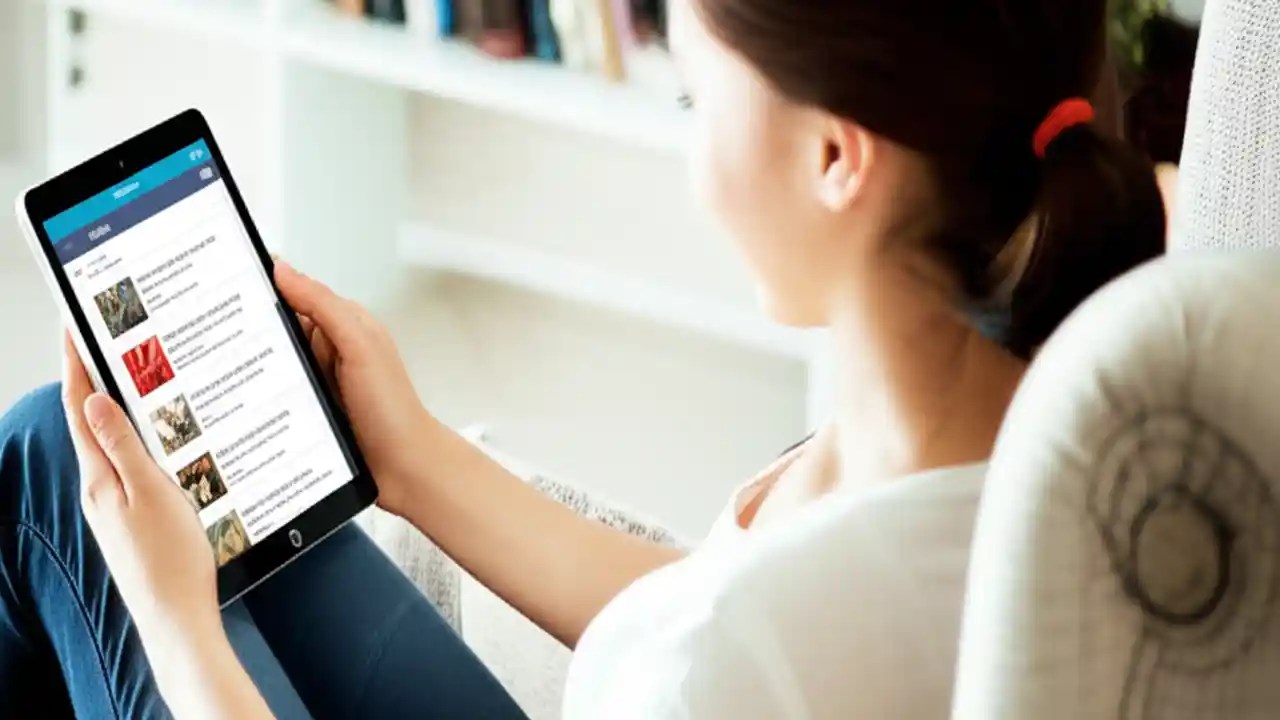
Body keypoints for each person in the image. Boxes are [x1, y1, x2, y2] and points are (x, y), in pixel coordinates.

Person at [0, 0, 1166, 717]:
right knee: (98, 457)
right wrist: (412, 458)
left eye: (694, 97)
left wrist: (175, 630)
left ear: (833, 159)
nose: (690, 147)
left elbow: (723, 649)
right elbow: (700, 614)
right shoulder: (1029, 414)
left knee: (59, 474)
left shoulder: (748, 654)